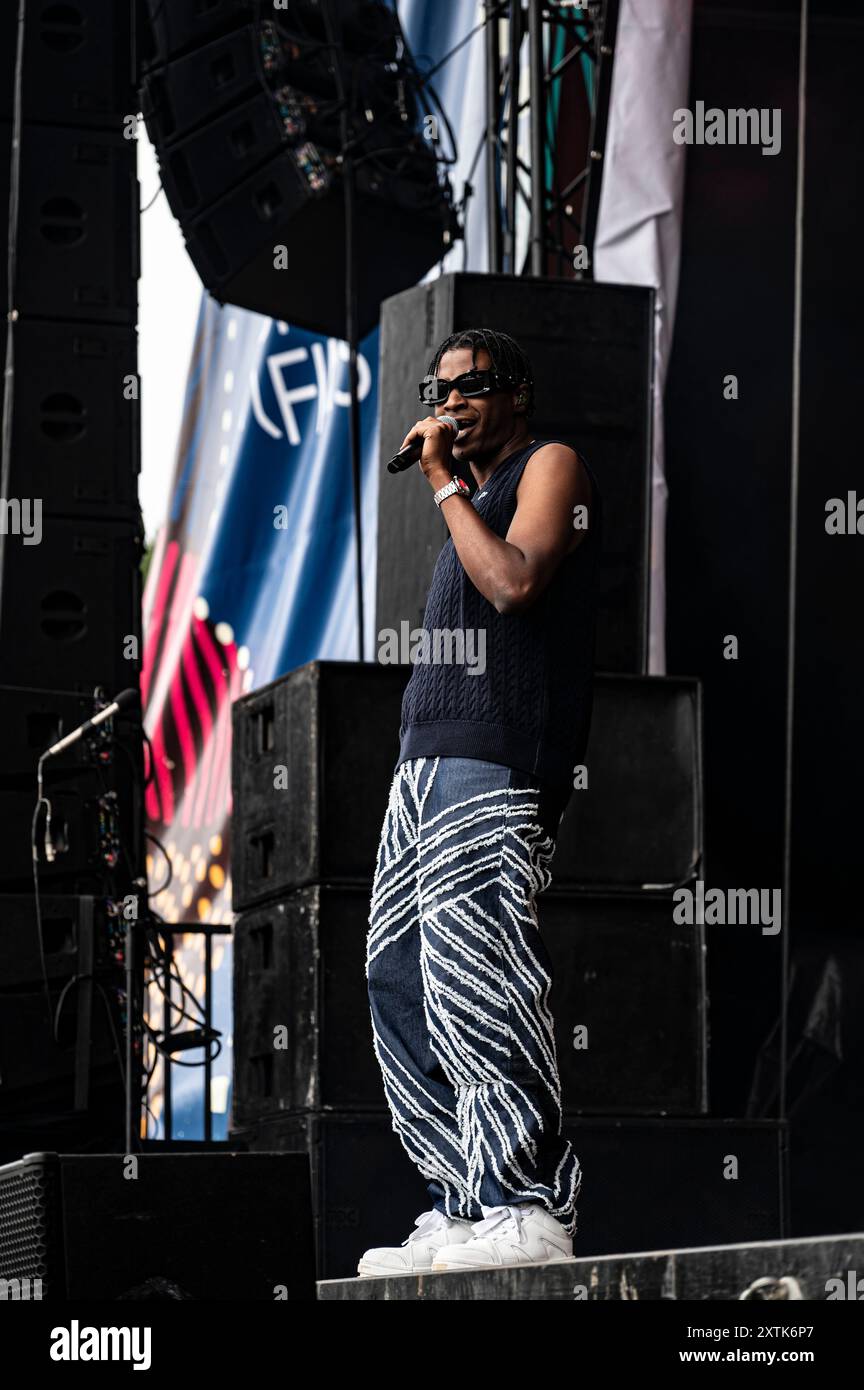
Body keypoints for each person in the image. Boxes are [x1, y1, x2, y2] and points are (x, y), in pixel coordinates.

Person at [360, 328, 602, 1277]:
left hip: (497, 760)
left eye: (471, 388)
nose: (449, 402)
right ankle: (461, 1201)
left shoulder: (552, 464)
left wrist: (443, 486)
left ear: (518, 393)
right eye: (439, 388)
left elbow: (514, 583)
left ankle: (527, 1201)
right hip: (423, 765)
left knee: (478, 976)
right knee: (400, 980)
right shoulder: (467, 493)